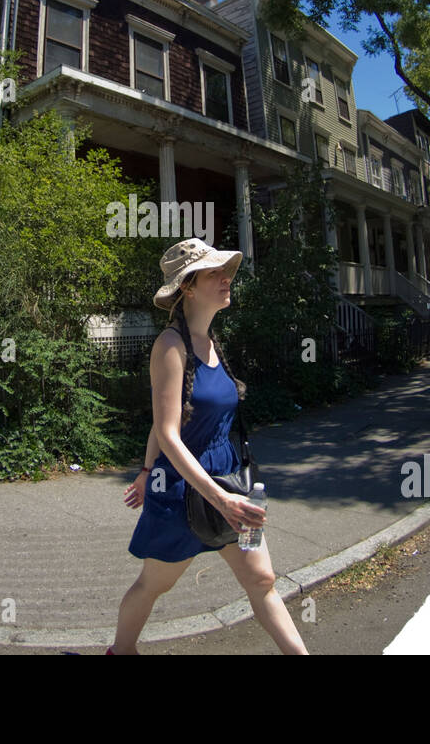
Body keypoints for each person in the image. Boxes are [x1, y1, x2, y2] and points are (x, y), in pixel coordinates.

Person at [110, 238, 308, 655]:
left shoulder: (213, 343)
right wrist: (203, 493)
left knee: (262, 580)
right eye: (215, 273)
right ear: (188, 287)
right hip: (184, 490)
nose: (226, 279)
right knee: (153, 585)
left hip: (231, 482)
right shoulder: (170, 346)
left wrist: (146, 472)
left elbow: (173, 417)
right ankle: (121, 651)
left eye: (226, 272)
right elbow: (167, 432)